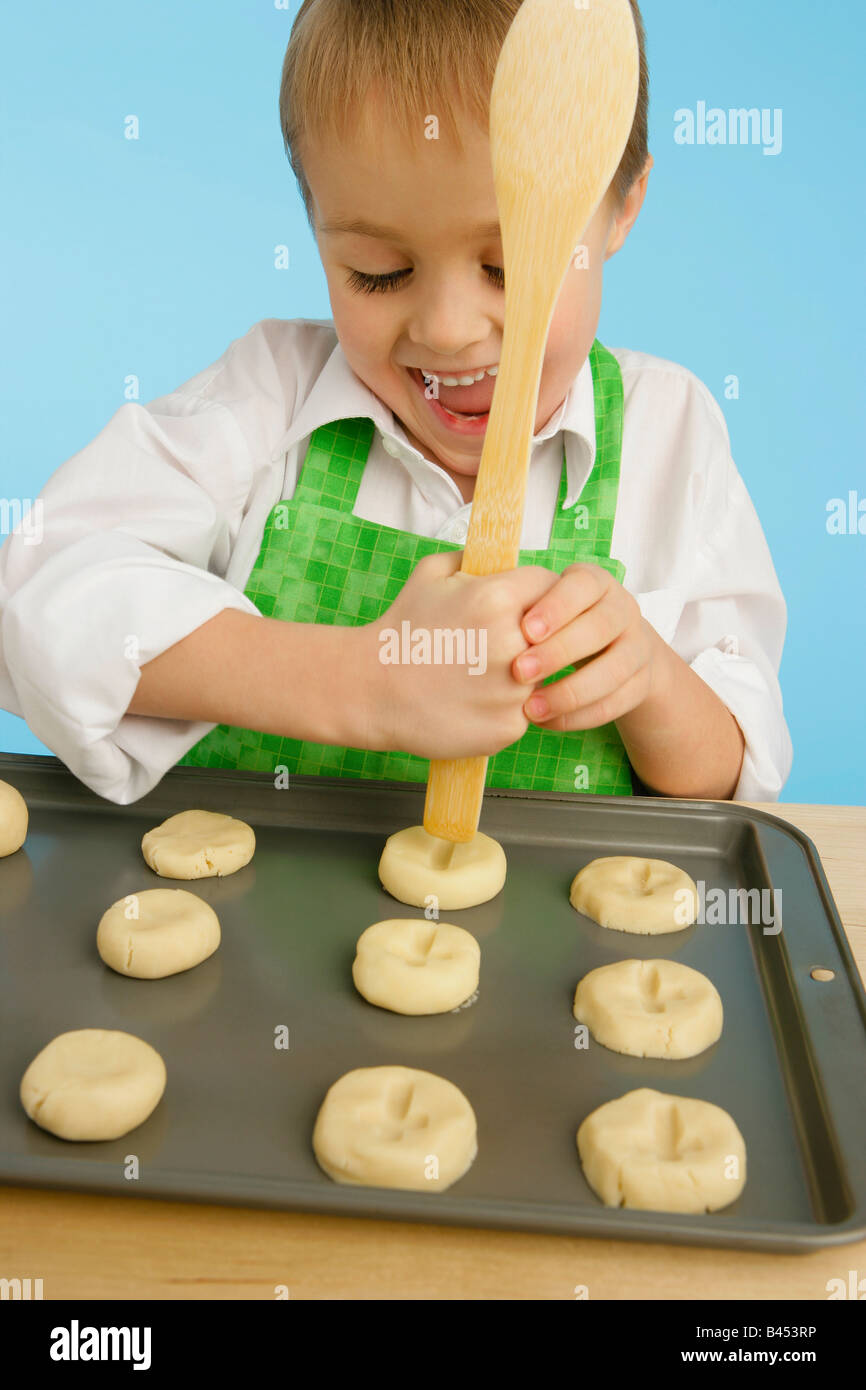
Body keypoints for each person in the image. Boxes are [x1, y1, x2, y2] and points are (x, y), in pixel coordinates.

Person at [0, 0, 792, 807]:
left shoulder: (672, 435)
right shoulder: (269, 398)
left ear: (623, 206)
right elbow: (40, 606)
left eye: (508, 267)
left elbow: (735, 780)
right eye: (379, 271)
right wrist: (360, 683)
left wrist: (652, 680)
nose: (448, 332)